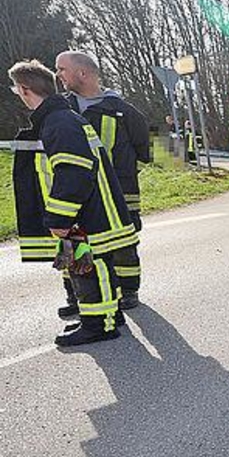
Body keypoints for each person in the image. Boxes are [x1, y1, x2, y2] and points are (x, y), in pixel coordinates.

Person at [8, 59, 137, 346]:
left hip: (86, 212)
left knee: (91, 266)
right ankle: (103, 317)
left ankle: (99, 326)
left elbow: (74, 171)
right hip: (87, 210)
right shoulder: (61, 118)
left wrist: (58, 218)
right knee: (84, 265)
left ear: (26, 90)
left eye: (15, 89)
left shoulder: (59, 122)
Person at [56, 50, 150, 312]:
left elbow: (145, 150)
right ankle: (78, 296)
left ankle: (128, 291)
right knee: (74, 242)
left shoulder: (124, 112)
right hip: (77, 193)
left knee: (123, 246)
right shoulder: (61, 109)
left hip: (120, 194)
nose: (58, 74)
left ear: (82, 73)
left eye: (62, 69)